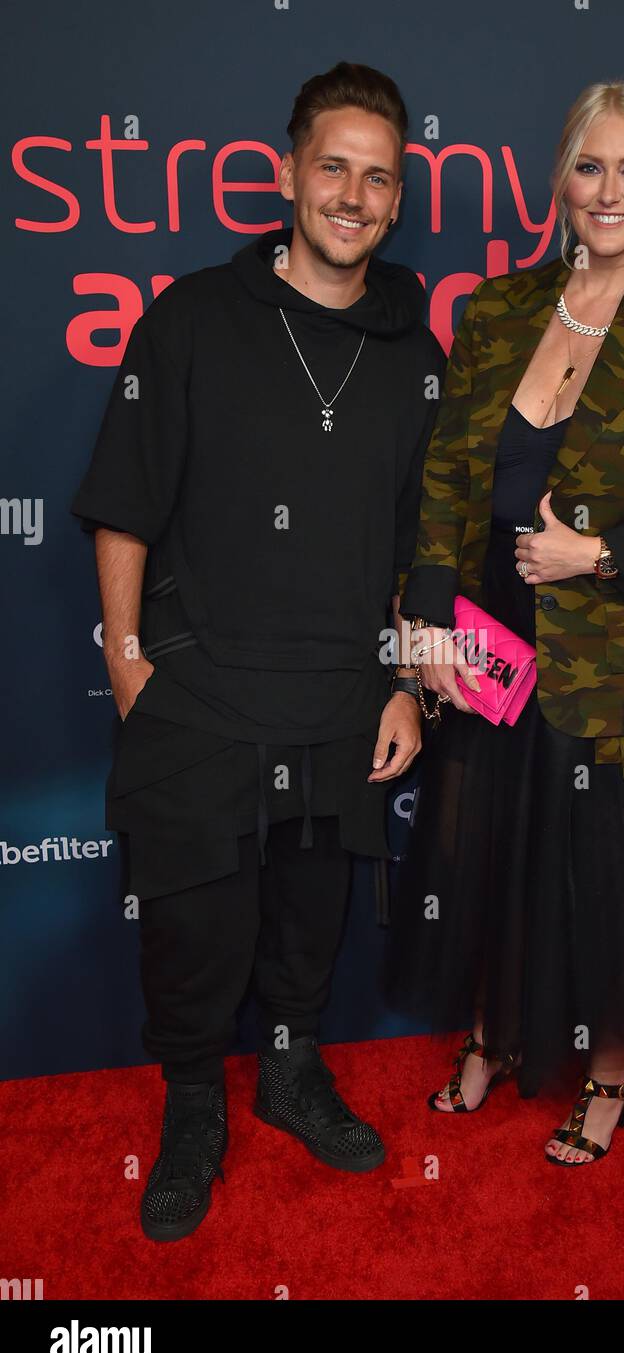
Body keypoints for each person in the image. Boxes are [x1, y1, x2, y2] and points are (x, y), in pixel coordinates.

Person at [71, 60, 443, 1240]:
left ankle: (288, 1075)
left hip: (341, 697)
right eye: (333, 166)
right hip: (203, 692)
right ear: (288, 174)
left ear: (396, 198)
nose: (353, 193)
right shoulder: (189, 318)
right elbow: (124, 501)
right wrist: (129, 661)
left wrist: (400, 681)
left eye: (377, 176)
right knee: (193, 928)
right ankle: (193, 1104)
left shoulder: (414, 351)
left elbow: (419, 539)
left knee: (305, 924)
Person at [385, 81, 624, 1166]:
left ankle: (606, 1075)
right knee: (482, 853)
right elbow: (448, 478)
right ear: (558, 181)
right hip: (494, 640)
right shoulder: (496, 311)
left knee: (618, 883)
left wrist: (596, 553)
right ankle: (494, 1035)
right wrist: (423, 616)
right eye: (588, 167)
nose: (608, 191)